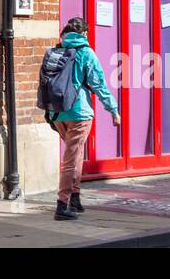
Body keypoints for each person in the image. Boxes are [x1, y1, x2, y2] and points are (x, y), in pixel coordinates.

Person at [49, 18, 120, 221]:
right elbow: (99, 85)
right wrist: (113, 110)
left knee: (77, 153)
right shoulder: (86, 53)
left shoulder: (57, 50)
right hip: (79, 114)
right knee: (71, 158)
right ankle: (62, 204)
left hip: (57, 114)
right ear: (85, 34)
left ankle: (75, 197)